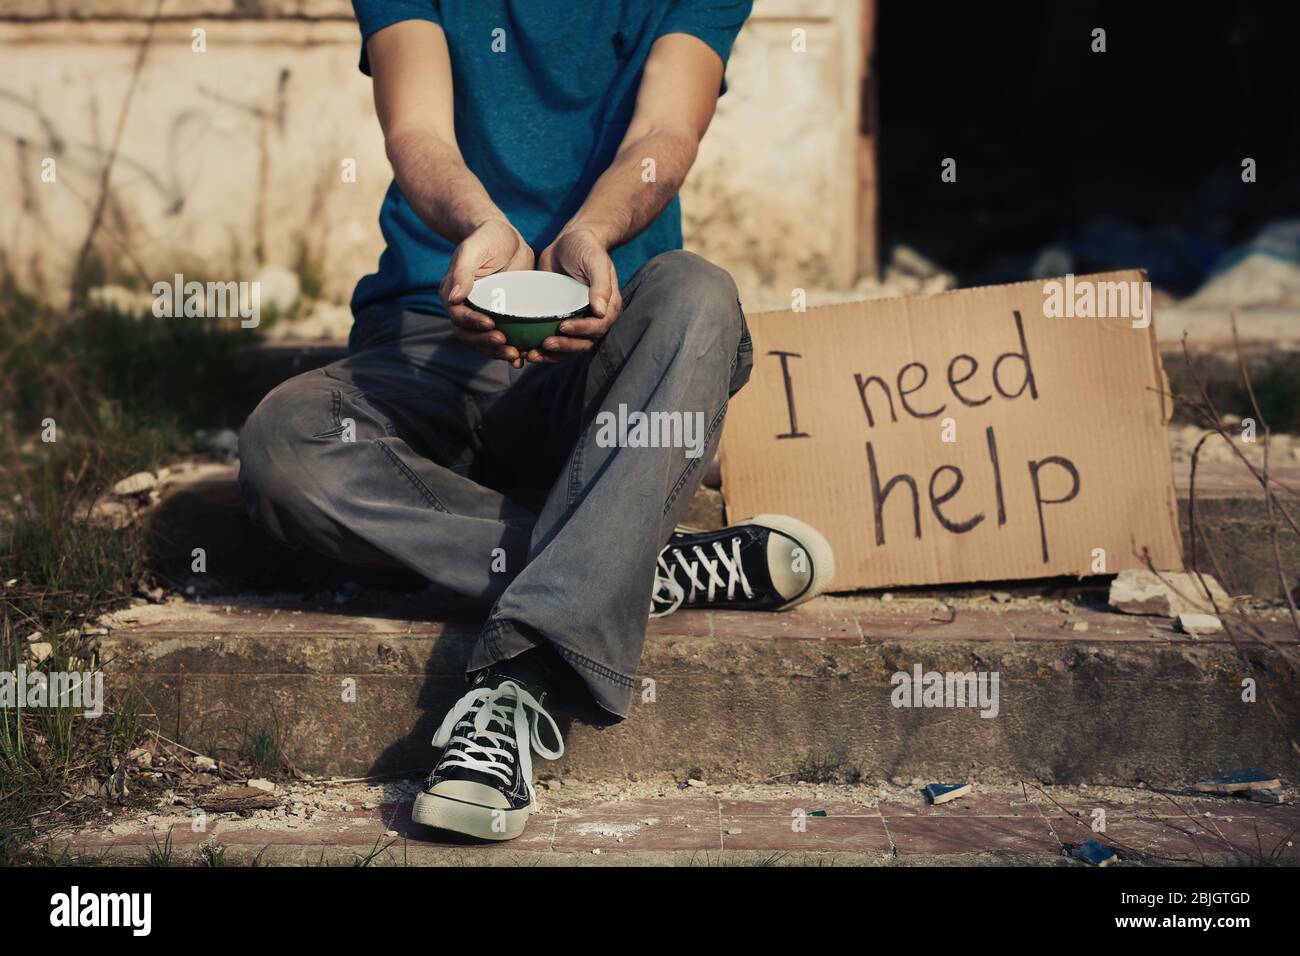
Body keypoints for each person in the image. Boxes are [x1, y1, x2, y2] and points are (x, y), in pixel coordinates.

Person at [237, 0, 833, 842]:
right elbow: (417, 132)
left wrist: (590, 231)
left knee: (700, 296)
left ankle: (521, 668)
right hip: (426, 346)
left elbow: (667, 131)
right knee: (284, 446)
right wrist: (482, 226)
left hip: (601, 346)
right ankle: (625, 559)